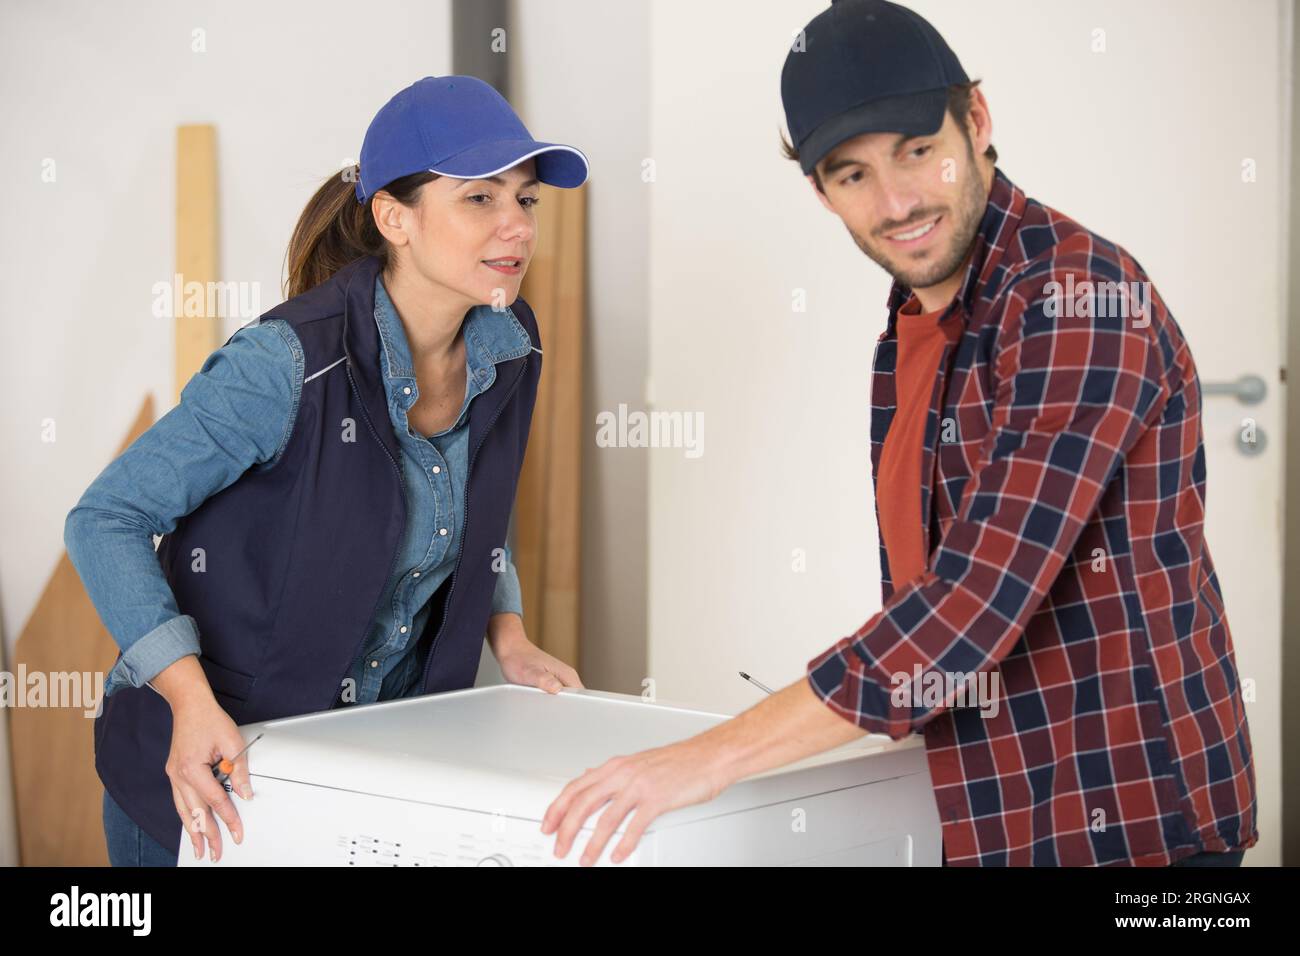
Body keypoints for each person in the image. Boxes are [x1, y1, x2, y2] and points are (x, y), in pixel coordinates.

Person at [541, 0, 1257, 867]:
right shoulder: (914, 327)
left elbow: (973, 601)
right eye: (853, 176)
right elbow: (930, 598)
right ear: (820, 192)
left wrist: (707, 759)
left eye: (918, 152)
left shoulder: (1077, 298)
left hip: (1131, 818)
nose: (896, 202)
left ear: (978, 121)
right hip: (997, 803)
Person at [65, 75, 589, 865]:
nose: (516, 226)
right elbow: (105, 519)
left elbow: (479, 502)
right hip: (211, 772)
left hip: (373, 768)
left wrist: (506, 632)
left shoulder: (510, 343)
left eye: (527, 200)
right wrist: (187, 699)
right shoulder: (284, 366)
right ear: (394, 218)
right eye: (481, 198)